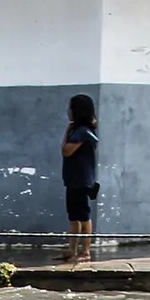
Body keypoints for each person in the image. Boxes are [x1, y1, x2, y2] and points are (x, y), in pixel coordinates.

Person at [62, 94, 100, 263]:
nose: (68, 111)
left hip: (81, 180)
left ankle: (85, 251)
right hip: (73, 179)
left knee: (84, 217)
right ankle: (72, 250)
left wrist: (66, 132)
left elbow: (66, 151)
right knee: (73, 217)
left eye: (71, 108)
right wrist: (68, 130)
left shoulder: (83, 132)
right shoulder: (77, 131)